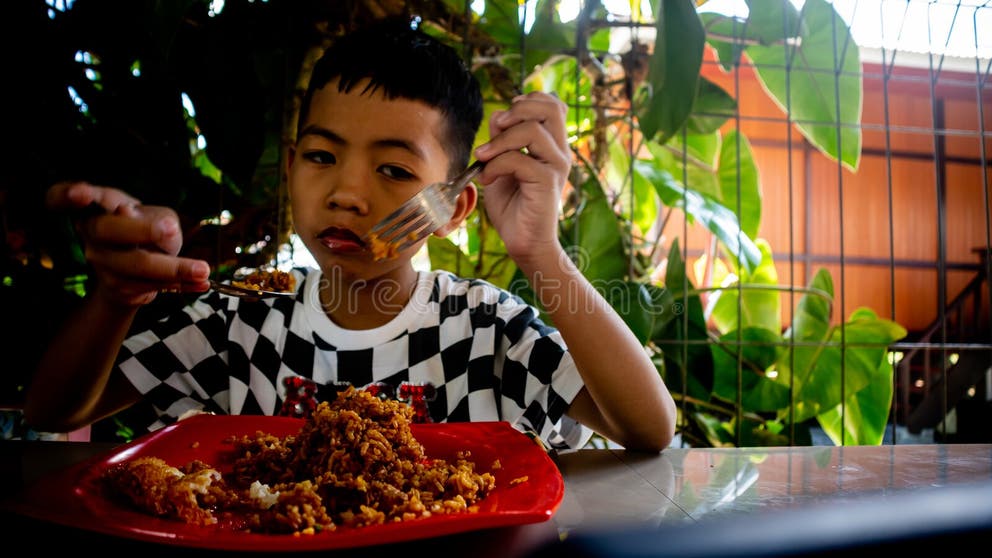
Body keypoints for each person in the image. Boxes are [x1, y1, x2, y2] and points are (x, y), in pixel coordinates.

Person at [25, 17, 676, 452]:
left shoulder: (486, 330)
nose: (347, 192)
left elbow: (646, 428)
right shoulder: (240, 321)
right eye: (321, 156)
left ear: (454, 207)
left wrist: (542, 254)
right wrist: (115, 298)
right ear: (289, 168)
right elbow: (54, 413)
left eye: (394, 169)